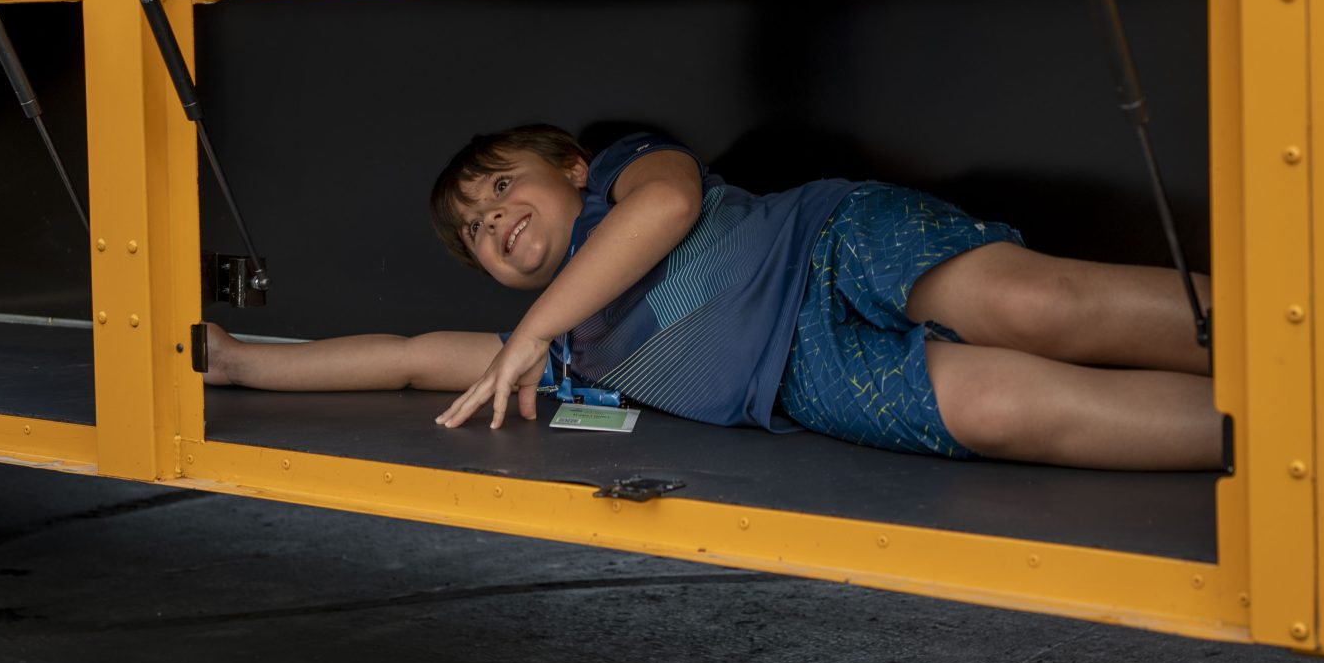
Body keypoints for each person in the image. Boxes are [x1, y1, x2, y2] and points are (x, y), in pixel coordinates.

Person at [200, 126, 1219, 472]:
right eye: (473, 230)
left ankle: (1292, 339)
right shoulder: (570, 354)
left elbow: (671, 207)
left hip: (831, 246)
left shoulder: (627, 174)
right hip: (806, 377)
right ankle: (1269, 437)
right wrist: (242, 362)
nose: (492, 217)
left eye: (502, 186)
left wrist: (531, 332)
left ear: (571, 167)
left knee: (1039, 306)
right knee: (1002, 409)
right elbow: (407, 355)